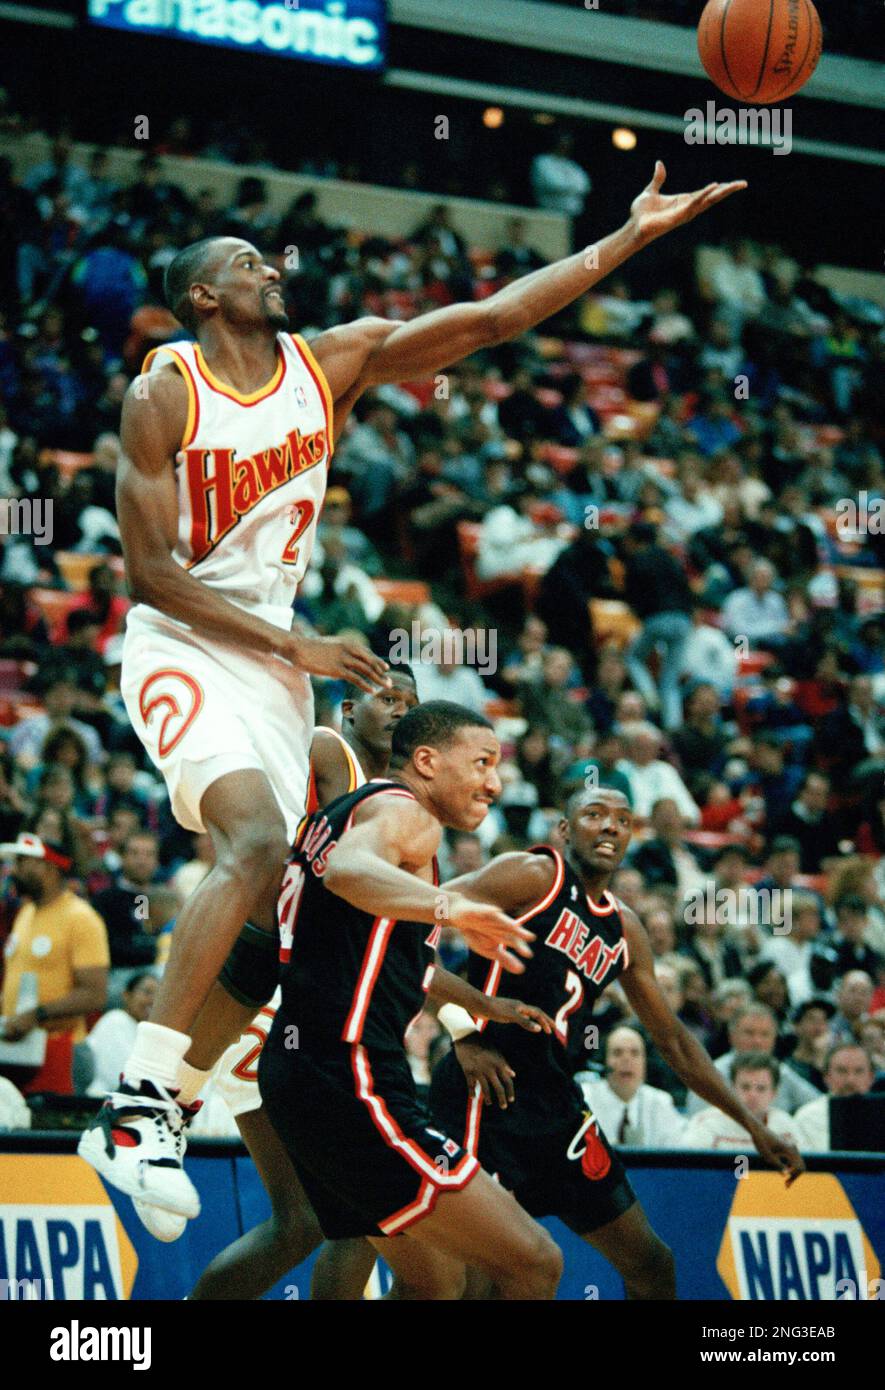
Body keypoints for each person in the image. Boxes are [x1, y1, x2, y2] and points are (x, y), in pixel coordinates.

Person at [78, 163, 747, 1220]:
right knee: (254, 843)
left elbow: (493, 317)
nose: (266, 268)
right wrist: (295, 644)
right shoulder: (166, 389)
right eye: (242, 262)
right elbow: (152, 574)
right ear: (201, 295)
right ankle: (134, 1101)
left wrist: (625, 239)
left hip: (270, 662)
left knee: (286, 912)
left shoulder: (328, 362)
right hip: (183, 645)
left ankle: (175, 1099)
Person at [428, 785, 801, 1300]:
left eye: (623, 820)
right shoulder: (533, 875)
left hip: (557, 1103)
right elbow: (406, 921)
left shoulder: (624, 927)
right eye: (595, 815)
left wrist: (752, 1125)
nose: (610, 826)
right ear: (563, 830)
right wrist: (463, 1031)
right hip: (485, 1092)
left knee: (652, 1265)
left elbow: (674, 1040)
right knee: (484, 1282)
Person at [259, 701, 564, 1300]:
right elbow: (348, 871)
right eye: (481, 763)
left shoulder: (344, 810)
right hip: (352, 1076)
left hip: (295, 1070)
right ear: (425, 761)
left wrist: (483, 1005)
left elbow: (380, 957)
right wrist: (454, 908)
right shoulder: (410, 815)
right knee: (535, 1263)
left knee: (435, 1283)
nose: (494, 782)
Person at [0, 832, 108, 1094]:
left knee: (54, 1131)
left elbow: (94, 994)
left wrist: (35, 1015)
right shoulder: (26, 912)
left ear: (48, 868)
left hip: (62, 1048)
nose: (14, 870)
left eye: (23, 862)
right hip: (20, 1049)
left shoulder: (81, 917)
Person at [683, 1003, 819, 1116]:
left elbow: (819, 1106)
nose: (757, 1041)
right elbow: (697, 1121)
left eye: (765, 1034)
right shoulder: (710, 1076)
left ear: (774, 1039)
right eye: (749, 1033)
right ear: (732, 1036)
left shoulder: (782, 1073)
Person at [577, 1026, 687, 1148]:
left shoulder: (660, 1102)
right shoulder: (585, 1098)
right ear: (604, 1061)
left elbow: (677, 1153)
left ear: (645, 1062)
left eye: (635, 1053)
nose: (626, 1060)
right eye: (617, 1053)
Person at [681, 1054, 798, 1150]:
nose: (753, 1095)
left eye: (761, 1088)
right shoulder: (707, 1123)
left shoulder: (785, 1125)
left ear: (774, 1094)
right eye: (745, 1087)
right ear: (732, 1090)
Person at [791, 1043, 876, 1151]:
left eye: (859, 1071)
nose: (850, 1080)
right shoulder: (808, 1117)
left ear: (871, 1077)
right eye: (842, 1071)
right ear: (826, 1076)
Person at [86, 973, 158, 1096]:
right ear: (126, 995)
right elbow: (120, 1076)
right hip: (102, 1101)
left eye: (158, 996)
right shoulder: (116, 1020)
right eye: (147, 992)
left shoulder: (150, 1032)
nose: (152, 1000)